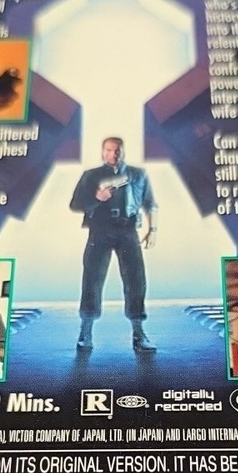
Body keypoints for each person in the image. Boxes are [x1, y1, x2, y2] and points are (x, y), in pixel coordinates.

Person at [69, 136, 158, 353]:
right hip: (100, 230)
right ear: (102, 152)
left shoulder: (138, 174)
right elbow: (75, 204)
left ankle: (138, 333)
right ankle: (85, 331)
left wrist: (153, 229)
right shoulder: (91, 175)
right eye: (108, 150)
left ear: (123, 151)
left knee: (136, 279)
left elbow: (150, 203)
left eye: (117, 150)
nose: (113, 154)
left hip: (128, 229)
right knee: (92, 278)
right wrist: (97, 198)